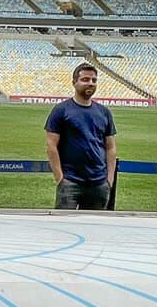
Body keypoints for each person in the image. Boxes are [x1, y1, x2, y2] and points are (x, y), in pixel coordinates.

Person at [44, 62, 117, 210]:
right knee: (65, 229)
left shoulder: (104, 112)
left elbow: (110, 148)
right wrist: (60, 179)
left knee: (94, 229)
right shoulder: (61, 111)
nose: (90, 83)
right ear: (74, 82)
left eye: (94, 80)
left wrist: (109, 180)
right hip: (70, 182)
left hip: (98, 184)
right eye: (85, 79)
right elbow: (51, 145)